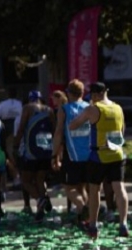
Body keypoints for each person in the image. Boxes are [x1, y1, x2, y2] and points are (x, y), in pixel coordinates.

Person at [68, 82, 129, 238]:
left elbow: (72, 126)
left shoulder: (92, 109)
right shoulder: (118, 108)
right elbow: (123, 130)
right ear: (106, 92)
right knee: (119, 188)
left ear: (94, 95)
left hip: (98, 155)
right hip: (117, 153)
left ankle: (93, 225)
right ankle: (123, 224)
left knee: (94, 189)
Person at [51, 79, 89, 223]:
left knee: (69, 188)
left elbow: (59, 132)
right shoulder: (89, 107)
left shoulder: (65, 109)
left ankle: (82, 206)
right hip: (88, 155)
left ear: (69, 93)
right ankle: (84, 218)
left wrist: (54, 155)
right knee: (82, 187)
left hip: (72, 156)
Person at [15, 90, 55, 220]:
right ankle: (40, 209)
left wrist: (15, 144)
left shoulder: (28, 108)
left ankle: (39, 200)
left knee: (25, 180)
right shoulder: (49, 110)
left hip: (31, 151)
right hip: (46, 150)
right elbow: (54, 130)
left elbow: (21, 128)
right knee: (40, 180)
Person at [0, 87, 23, 189]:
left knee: (10, 154)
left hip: (8, 129)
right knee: (16, 152)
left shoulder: (3, 104)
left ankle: (17, 178)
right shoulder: (19, 104)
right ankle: (18, 177)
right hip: (18, 129)